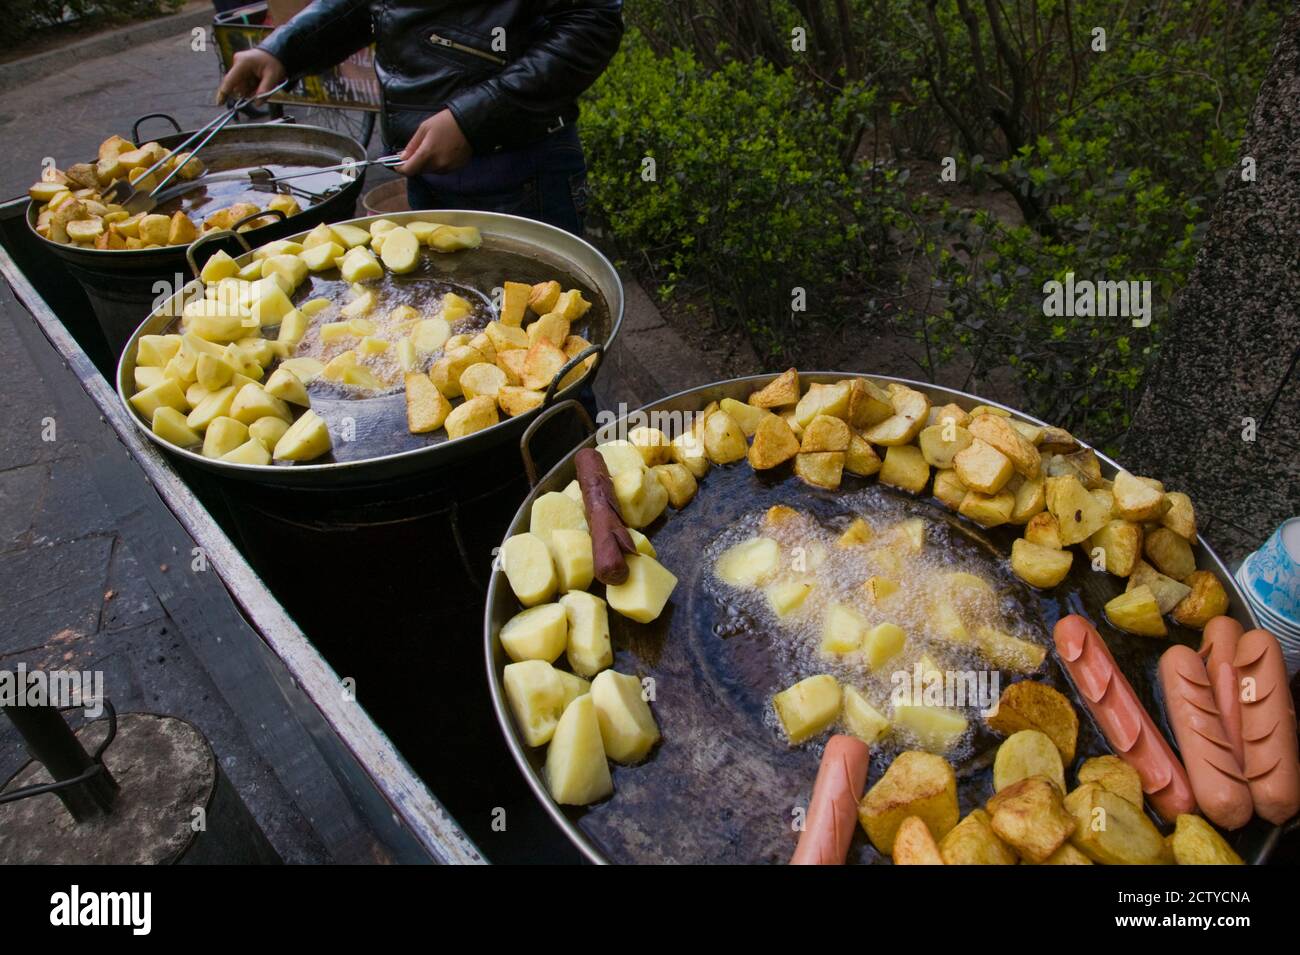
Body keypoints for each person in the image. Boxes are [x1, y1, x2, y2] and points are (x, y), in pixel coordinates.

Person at [218, 1, 624, 236]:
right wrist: (283, 49)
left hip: (522, 171)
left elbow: (590, 22)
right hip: (423, 166)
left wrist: (474, 118)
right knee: (453, 338)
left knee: (543, 350)